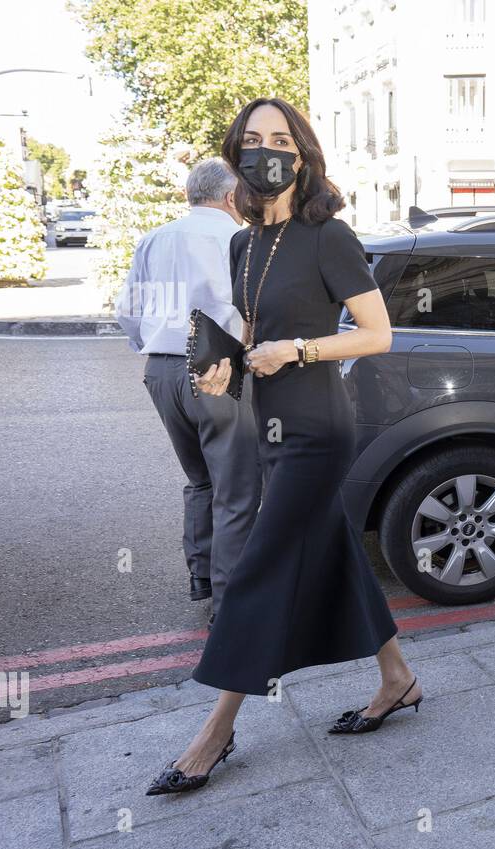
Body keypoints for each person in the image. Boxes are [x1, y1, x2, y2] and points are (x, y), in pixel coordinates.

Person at [147, 98, 420, 797]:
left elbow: (378, 334)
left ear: (302, 154)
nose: (265, 151)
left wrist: (297, 349)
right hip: (267, 422)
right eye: (252, 139)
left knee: (260, 566)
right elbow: (251, 337)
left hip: (318, 429)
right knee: (334, 551)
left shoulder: (329, 236)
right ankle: (396, 678)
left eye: (280, 139)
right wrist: (225, 365)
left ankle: (216, 731)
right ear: (236, 154)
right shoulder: (243, 244)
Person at [114, 158, 260, 624]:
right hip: (216, 368)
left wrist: (155, 347)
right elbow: (248, 311)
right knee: (236, 490)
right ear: (231, 197)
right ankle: (230, 604)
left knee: (201, 479)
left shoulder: (154, 238)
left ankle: (202, 576)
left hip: (160, 370)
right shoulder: (237, 239)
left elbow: (127, 311)